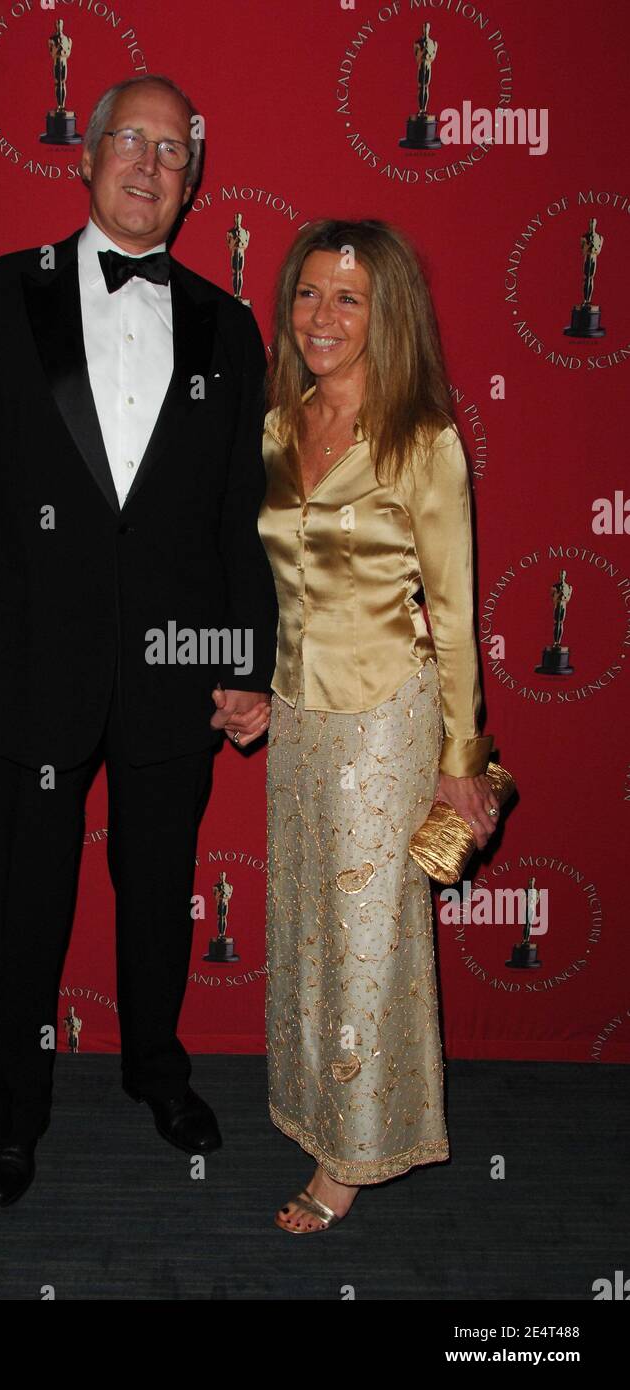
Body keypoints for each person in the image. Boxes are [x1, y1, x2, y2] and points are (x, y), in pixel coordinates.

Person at [0, 73, 278, 1208]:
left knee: (159, 888)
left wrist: (245, 662)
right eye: (130, 139)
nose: (148, 165)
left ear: (193, 180)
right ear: (86, 157)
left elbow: (241, 517)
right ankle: (15, 1115)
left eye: (173, 151)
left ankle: (156, 1071)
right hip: (31, 662)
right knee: (28, 901)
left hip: (178, 665)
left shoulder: (229, 325)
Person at [257, 219, 500, 1233]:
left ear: (385, 313)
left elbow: (455, 612)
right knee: (307, 927)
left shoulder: (422, 442)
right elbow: (270, 580)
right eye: (307, 293)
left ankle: (351, 1156)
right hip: (296, 714)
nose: (321, 317)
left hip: (382, 721)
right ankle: (317, 1105)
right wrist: (247, 683)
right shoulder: (280, 426)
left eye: (347, 298)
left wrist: (460, 760)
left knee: (367, 939)